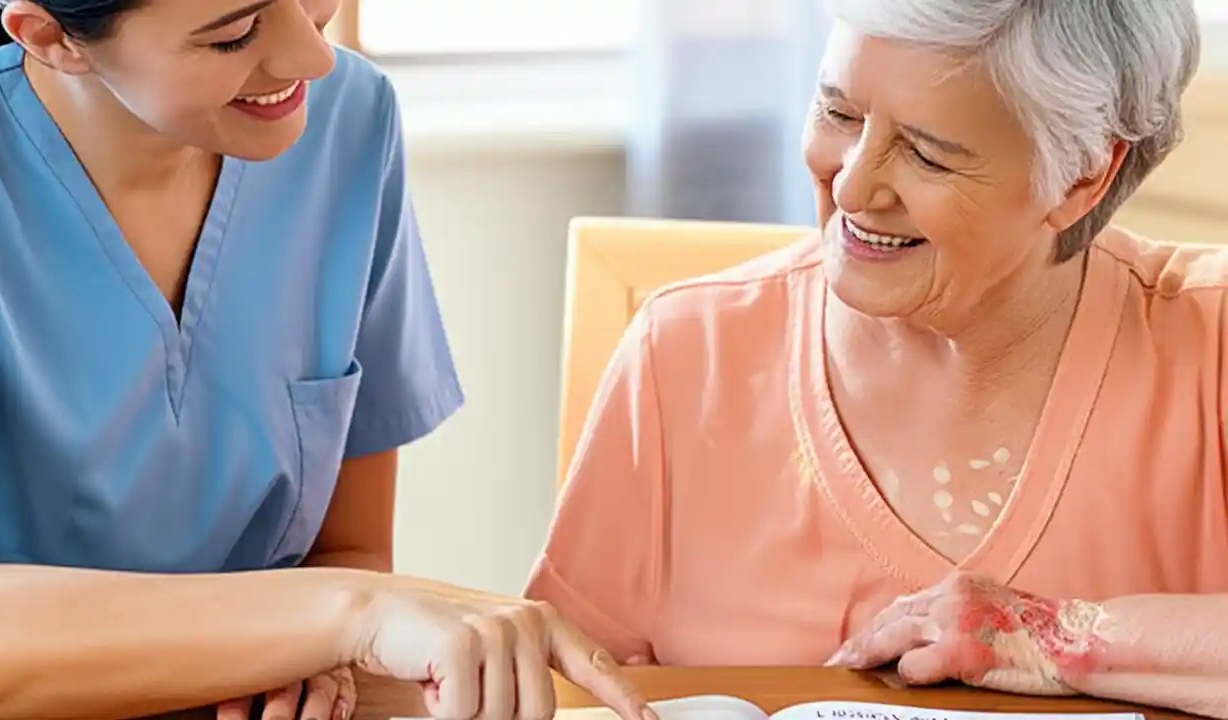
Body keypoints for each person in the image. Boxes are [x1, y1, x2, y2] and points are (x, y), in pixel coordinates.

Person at [0, 1, 655, 719]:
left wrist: (314, 647)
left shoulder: (349, 117)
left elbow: (347, 552)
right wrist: (345, 617)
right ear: (50, 37)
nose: (315, 59)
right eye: (234, 34)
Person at [525, 0, 1228, 716]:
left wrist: (1044, 637)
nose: (853, 185)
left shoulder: (1213, 351)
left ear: (1083, 175)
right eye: (838, 114)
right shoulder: (685, 355)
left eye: (927, 154)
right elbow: (565, 695)